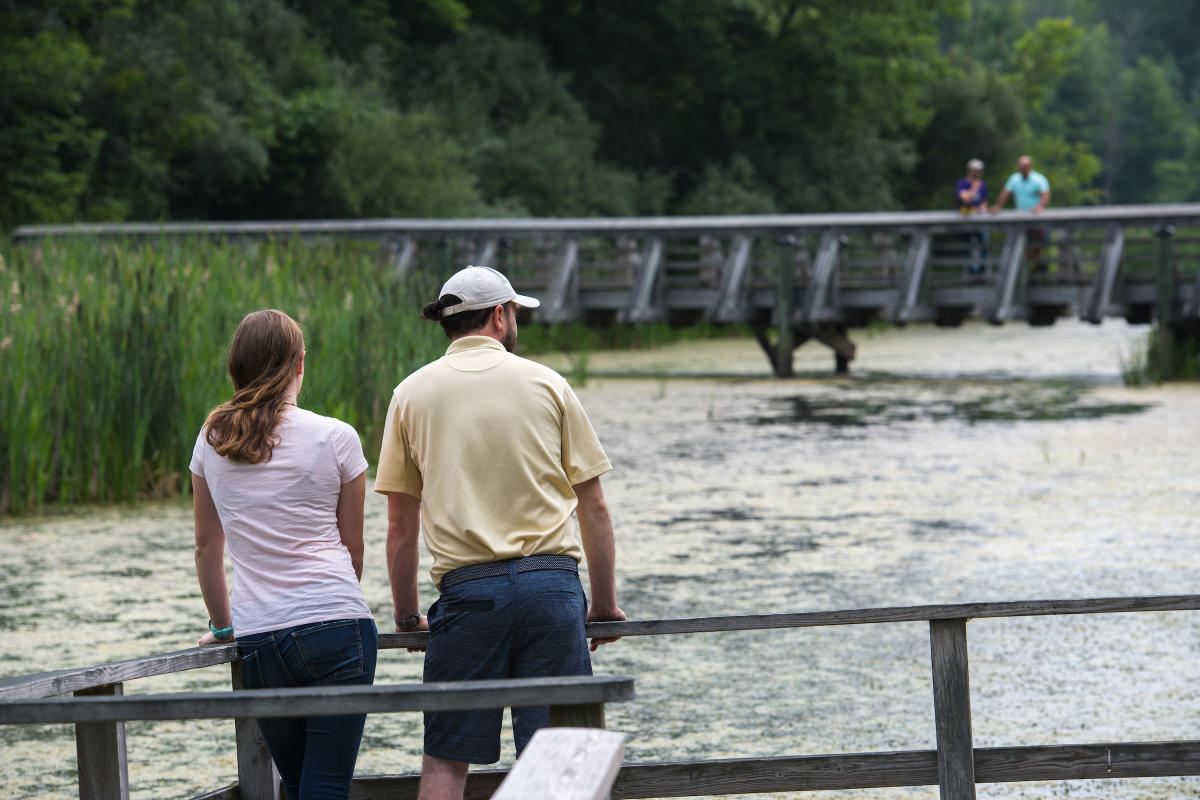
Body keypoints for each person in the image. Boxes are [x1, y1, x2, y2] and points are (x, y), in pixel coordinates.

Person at [375, 265, 625, 800]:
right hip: (553, 592)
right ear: (499, 315)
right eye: (515, 313)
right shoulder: (547, 384)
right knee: (563, 764)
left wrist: (405, 617)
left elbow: (400, 529)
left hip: (468, 600)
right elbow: (594, 507)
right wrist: (602, 604)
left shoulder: (410, 394)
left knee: (445, 764)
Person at [191, 309, 377, 800]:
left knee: (297, 785)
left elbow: (207, 547)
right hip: (336, 622)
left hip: (260, 637)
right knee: (325, 785)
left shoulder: (213, 440)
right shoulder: (337, 436)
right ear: (300, 362)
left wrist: (223, 627)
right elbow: (351, 549)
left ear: (236, 365)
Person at [991, 155, 1052, 270]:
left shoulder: (1038, 179)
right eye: (1021, 166)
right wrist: (997, 206)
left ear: (1030, 166)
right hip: (1021, 220)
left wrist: (1040, 206)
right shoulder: (1014, 179)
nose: (1023, 168)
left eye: (1026, 166)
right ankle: (1030, 271)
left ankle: (1039, 270)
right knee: (1025, 246)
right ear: (1018, 166)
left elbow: (1046, 195)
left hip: (1036, 219)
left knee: (1038, 245)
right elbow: (1005, 194)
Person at [956, 158, 989, 273]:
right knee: (967, 248)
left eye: (979, 170)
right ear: (969, 170)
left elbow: (984, 201)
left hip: (980, 220)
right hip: (966, 219)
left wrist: (983, 208)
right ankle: (969, 272)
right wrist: (973, 188)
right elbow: (965, 199)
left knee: (984, 245)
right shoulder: (962, 183)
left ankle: (982, 271)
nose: (977, 173)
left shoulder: (983, 185)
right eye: (975, 170)